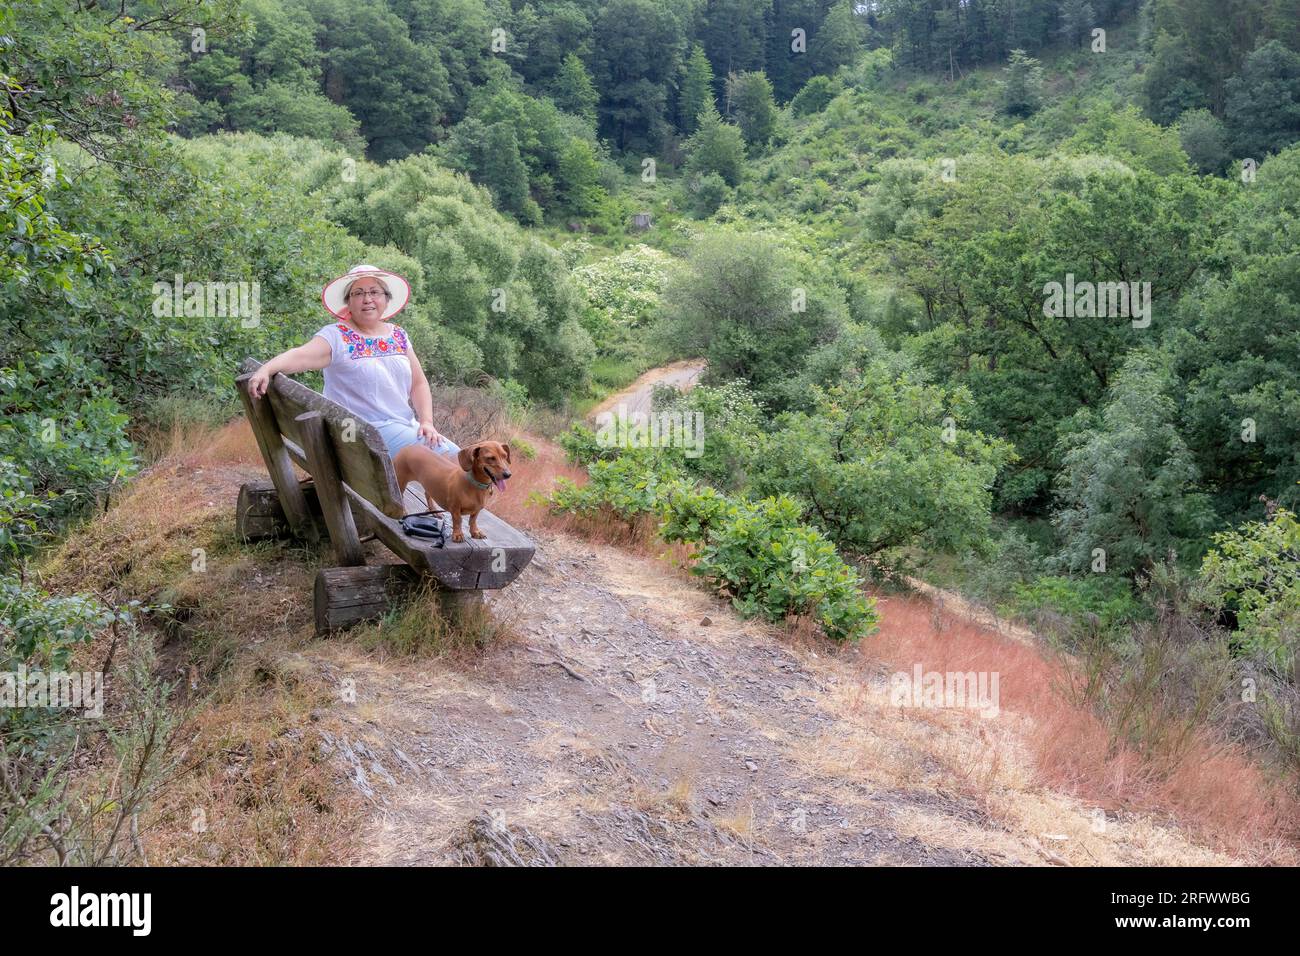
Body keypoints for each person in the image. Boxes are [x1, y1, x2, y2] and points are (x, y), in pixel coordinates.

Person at [246, 264, 461, 473]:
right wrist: (267, 369)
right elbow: (301, 355)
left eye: (374, 292)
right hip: (362, 434)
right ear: (348, 302)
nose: (367, 299)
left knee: (464, 460)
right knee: (452, 463)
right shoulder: (336, 336)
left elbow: (418, 383)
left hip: (405, 427)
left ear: (386, 299)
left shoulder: (398, 335)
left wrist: (427, 422)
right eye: (358, 293)